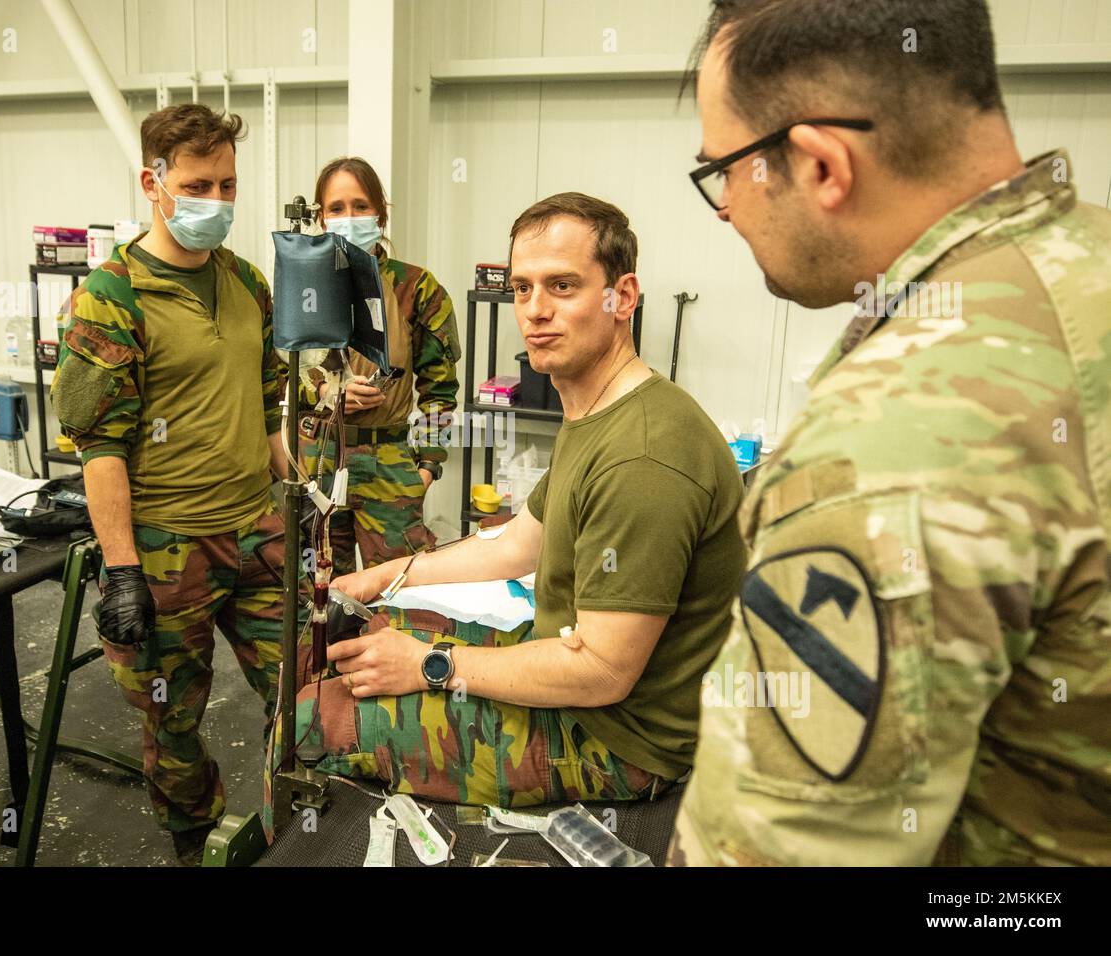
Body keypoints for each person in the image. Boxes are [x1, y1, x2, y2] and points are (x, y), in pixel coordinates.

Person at [670, 0, 1111, 866]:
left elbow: (774, 850)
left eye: (723, 168)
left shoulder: (891, 437)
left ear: (822, 165)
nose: (723, 206)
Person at [268, 193, 745, 828]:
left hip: (616, 741)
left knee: (308, 720)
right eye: (522, 288)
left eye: (563, 285)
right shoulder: (602, 408)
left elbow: (602, 671)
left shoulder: (644, 459)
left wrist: (430, 666)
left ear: (622, 297)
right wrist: (382, 580)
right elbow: (514, 544)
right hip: (579, 672)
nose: (536, 311)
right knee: (361, 639)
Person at [50, 104, 291, 865]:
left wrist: (304, 500)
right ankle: (194, 846)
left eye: (227, 185)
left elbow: (268, 401)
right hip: (166, 550)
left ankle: (296, 828)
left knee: (306, 691)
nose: (215, 202)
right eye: (198, 184)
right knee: (173, 724)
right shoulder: (111, 295)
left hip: (257, 532)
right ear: (153, 183)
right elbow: (102, 448)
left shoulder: (247, 281)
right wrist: (121, 570)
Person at [298, 157, 459, 575]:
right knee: (318, 594)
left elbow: (439, 390)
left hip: (388, 459)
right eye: (336, 209)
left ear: (380, 214)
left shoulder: (416, 288)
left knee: (395, 591)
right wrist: (322, 392)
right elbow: (275, 377)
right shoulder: (302, 286)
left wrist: (427, 464)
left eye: (360, 206)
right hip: (318, 456)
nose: (348, 218)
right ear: (319, 217)